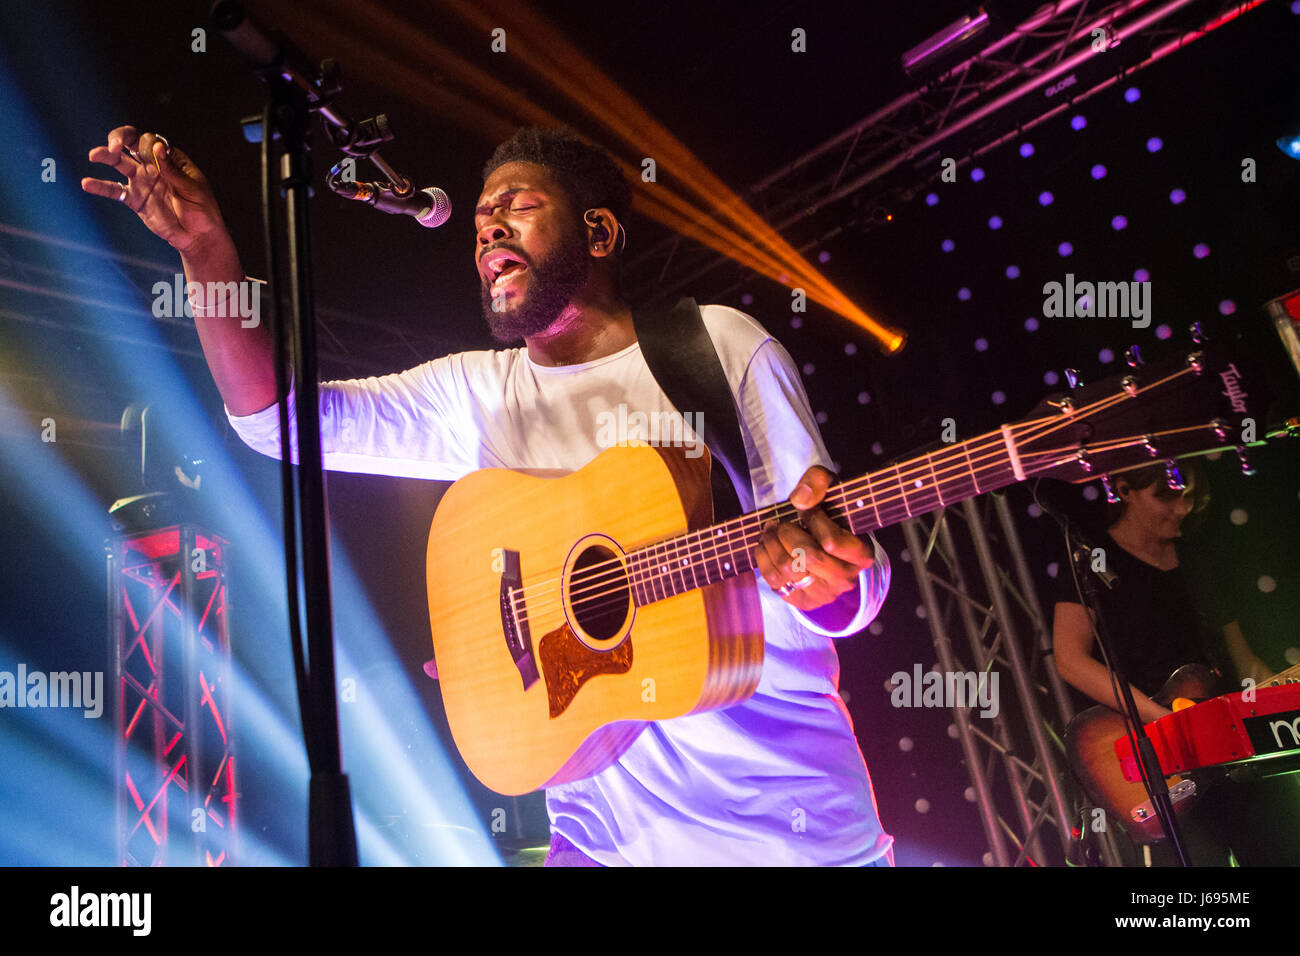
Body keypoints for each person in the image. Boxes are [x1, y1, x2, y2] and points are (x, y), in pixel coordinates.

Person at [83, 125, 895, 866]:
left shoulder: (714, 345)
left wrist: (828, 584)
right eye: (479, 221)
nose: (489, 230)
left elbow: (839, 567)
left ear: (599, 233)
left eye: (519, 209)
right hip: (601, 841)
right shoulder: (475, 392)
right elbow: (278, 423)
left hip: (794, 831)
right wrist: (206, 254)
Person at [1052, 461, 1297, 866]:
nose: (1181, 509)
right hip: (1159, 762)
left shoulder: (1199, 558)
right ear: (1124, 489)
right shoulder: (1093, 559)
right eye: (1165, 496)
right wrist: (1164, 720)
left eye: (1190, 497)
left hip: (1232, 754)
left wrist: (1283, 692)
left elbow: (1245, 665)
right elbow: (1070, 660)